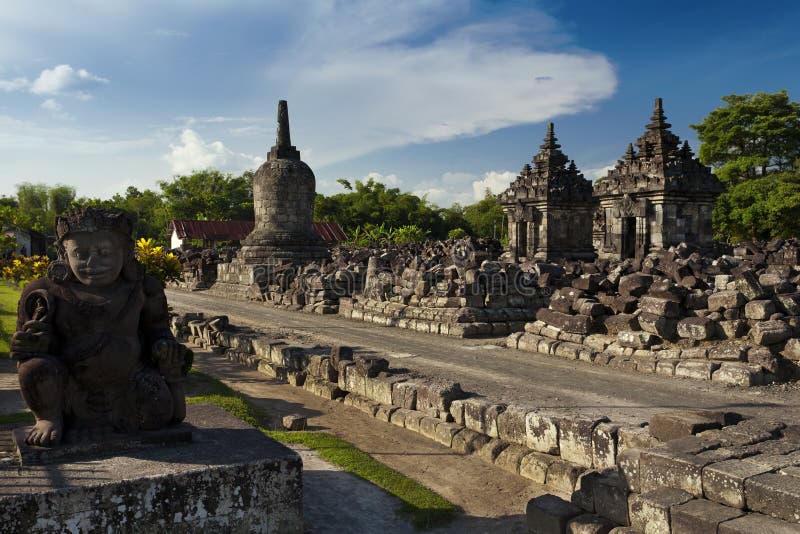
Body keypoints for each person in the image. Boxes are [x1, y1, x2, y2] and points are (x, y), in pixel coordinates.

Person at [10, 208, 190, 447]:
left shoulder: (143, 289)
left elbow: (158, 331)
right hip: (69, 386)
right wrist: (31, 344)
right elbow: (23, 348)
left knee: (159, 414)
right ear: (64, 253)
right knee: (34, 368)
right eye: (80, 253)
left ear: (126, 252)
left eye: (104, 253)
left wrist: (164, 348)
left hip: (129, 381)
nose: (92, 263)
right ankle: (49, 418)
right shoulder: (43, 293)